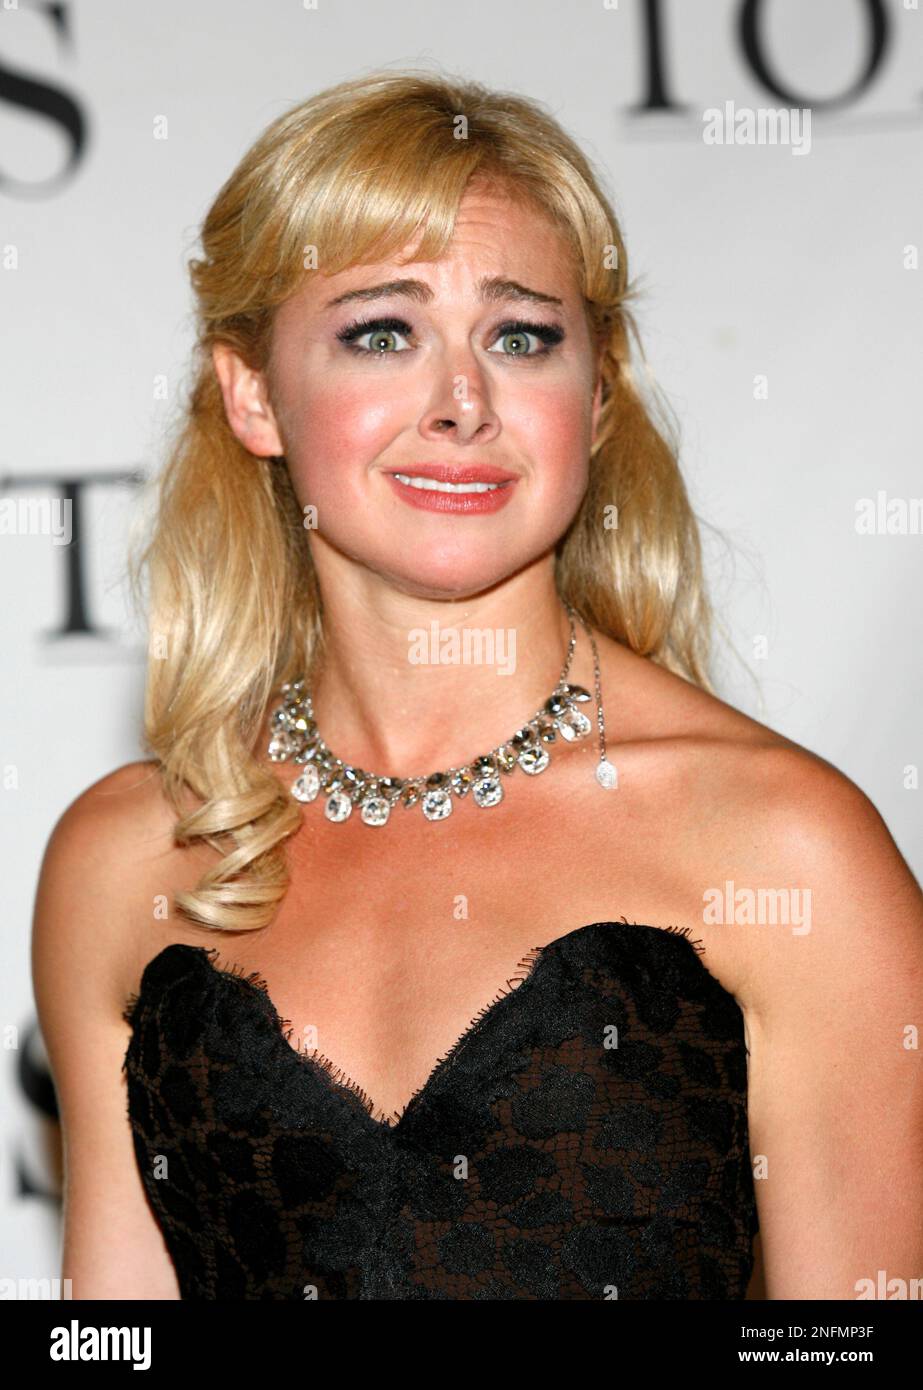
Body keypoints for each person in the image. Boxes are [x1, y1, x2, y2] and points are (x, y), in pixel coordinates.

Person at [31, 69, 923, 1301]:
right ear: (252, 395)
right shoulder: (127, 858)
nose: (462, 404)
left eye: (520, 336)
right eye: (381, 332)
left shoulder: (783, 848)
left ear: (595, 392)